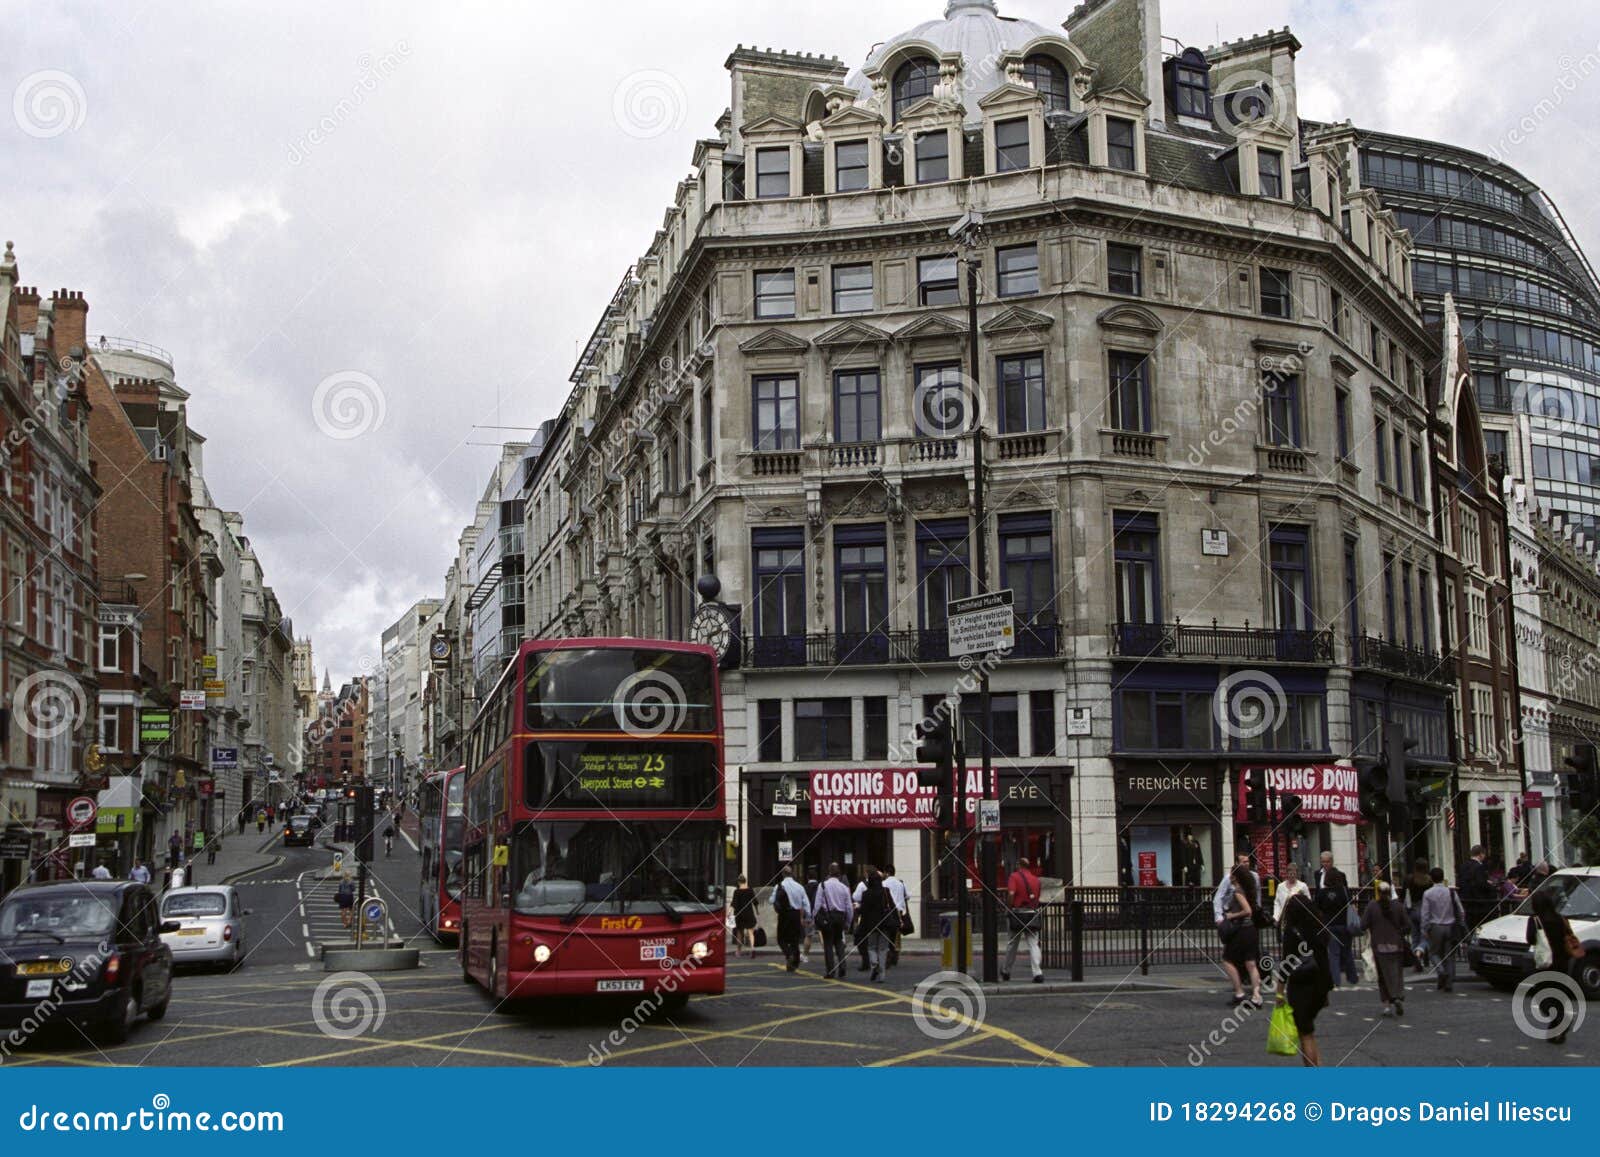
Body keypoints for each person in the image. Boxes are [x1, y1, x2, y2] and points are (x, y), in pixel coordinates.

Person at [1279, 894, 1332, 1066]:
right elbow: (1324, 960)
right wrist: (1327, 989)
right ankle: (1318, 1065)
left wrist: (1279, 992)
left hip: (1300, 985)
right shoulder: (1319, 929)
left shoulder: (1292, 932)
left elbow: (1286, 963)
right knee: (1309, 1030)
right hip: (1319, 984)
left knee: (1305, 1033)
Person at [1527, 888, 1583, 1045]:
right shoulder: (1560, 919)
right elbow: (1569, 936)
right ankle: (1556, 1032)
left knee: (1542, 996)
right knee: (1558, 995)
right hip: (1562, 962)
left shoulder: (1535, 920)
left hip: (1545, 962)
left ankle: (1560, 1019)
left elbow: (1530, 939)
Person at [1361, 881, 1412, 1017]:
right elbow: (1408, 926)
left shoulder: (1372, 906)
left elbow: (1363, 925)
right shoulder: (1398, 906)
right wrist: (1399, 932)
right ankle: (1398, 996)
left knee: (1383, 977)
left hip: (1379, 946)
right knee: (1397, 974)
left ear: (1377, 892)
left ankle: (1387, 1005)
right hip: (1396, 945)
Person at [1312, 851, 1358, 987]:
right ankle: (1353, 978)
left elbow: (1317, 906)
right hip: (1343, 924)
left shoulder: (1322, 893)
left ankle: (1335, 980)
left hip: (1329, 924)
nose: (1325, 864)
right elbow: (1348, 903)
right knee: (1347, 951)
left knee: (1333, 954)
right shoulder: (1343, 892)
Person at [1419, 866, 1466, 992]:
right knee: (1449, 955)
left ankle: (1441, 971)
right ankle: (1449, 983)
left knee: (1433, 953)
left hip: (1435, 926)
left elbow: (1425, 914)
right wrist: (1460, 922)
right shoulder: (1451, 892)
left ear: (1431, 878)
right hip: (1450, 926)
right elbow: (1461, 910)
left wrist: (1424, 929)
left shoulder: (1428, 893)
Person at [1220, 865, 1262, 1007]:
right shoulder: (1249, 890)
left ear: (1236, 877)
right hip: (1251, 930)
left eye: (1232, 874)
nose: (1230, 876)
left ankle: (1239, 993)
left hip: (1241, 931)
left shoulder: (1238, 891)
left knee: (1227, 960)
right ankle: (1256, 997)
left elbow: (1247, 911)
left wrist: (1232, 915)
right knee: (1251, 964)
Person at [1001, 855, 1044, 983]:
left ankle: (1006, 971)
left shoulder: (1014, 877)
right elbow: (1037, 898)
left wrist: (1008, 908)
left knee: (1012, 944)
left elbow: (1011, 894)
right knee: (1033, 944)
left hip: (1017, 914)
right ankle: (1037, 973)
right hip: (1031, 914)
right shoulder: (1036, 880)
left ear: (1018, 865)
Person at [811, 863, 854, 979]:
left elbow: (817, 904)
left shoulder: (823, 885)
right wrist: (848, 922)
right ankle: (842, 966)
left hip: (827, 917)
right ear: (839, 874)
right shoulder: (844, 888)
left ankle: (831, 971)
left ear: (829, 872)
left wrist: (814, 918)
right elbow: (849, 908)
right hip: (840, 917)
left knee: (828, 944)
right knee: (839, 942)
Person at [855, 870, 898, 981]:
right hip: (885, 925)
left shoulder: (866, 894)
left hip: (871, 926)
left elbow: (864, 912)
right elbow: (892, 907)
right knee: (883, 949)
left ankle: (874, 964)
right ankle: (882, 975)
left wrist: (862, 926)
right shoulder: (885, 891)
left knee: (871, 947)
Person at [769, 865, 810, 972]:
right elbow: (806, 903)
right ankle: (794, 964)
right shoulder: (799, 887)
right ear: (792, 873)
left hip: (784, 914)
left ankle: (789, 954)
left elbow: (771, 900)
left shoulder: (779, 886)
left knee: (781, 938)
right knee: (794, 940)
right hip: (796, 914)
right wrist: (808, 917)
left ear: (783, 874)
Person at [1211, 852, 1256, 936]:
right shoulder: (1229, 879)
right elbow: (1218, 897)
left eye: (1248, 861)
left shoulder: (1254, 876)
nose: (1246, 864)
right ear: (1237, 863)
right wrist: (1219, 917)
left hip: (1248, 922)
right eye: (1244, 862)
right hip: (1235, 920)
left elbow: (1250, 907)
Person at [1457, 844, 1495, 929]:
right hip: (1478, 904)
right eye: (1484, 854)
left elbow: (1462, 882)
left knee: (1469, 926)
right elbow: (1481, 884)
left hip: (1466, 902)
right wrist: (1490, 885)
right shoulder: (1479, 867)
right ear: (1481, 854)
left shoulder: (1463, 866)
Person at [882, 863, 909, 968]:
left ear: (886, 873)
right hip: (899, 912)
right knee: (896, 935)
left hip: (888, 911)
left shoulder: (884, 883)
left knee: (887, 934)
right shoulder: (900, 883)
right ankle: (895, 956)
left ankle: (888, 957)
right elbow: (907, 896)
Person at [1271, 860, 1309, 926]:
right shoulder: (1280, 886)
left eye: (1294, 874)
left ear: (1297, 874)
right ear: (1287, 874)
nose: (1292, 876)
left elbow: (1308, 902)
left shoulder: (1303, 886)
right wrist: (1276, 917)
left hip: (1299, 919)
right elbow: (1277, 903)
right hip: (1284, 919)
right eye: (1290, 874)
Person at [730, 874, 759, 957]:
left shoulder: (737, 891)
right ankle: (752, 949)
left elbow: (734, 903)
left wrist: (729, 912)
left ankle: (738, 951)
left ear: (739, 882)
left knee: (740, 933)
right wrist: (757, 911)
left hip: (739, 914)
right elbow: (755, 902)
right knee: (750, 933)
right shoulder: (750, 890)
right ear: (745, 881)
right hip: (749, 914)